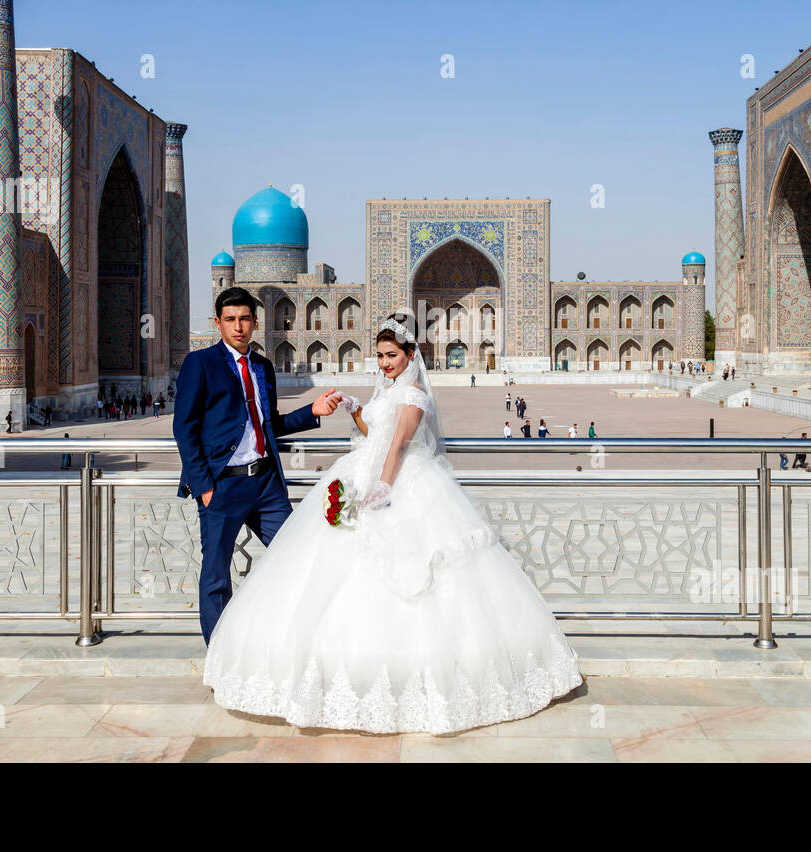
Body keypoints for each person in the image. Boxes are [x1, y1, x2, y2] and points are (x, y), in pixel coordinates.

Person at [202, 312, 582, 734]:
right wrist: (354, 410)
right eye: (380, 356)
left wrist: (382, 489)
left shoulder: (415, 393)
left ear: (410, 354)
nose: (384, 363)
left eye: (391, 355)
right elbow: (373, 431)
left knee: (412, 579)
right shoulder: (388, 389)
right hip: (364, 469)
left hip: (401, 484)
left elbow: (398, 446)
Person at [173, 287, 342, 645]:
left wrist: (311, 412)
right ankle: (221, 655)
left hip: (265, 484)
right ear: (217, 323)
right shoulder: (200, 364)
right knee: (217, 575)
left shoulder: (263, 367)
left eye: (245, 319)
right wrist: (204, 486)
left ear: (255, 322)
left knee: (295, 556)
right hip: (222, 486)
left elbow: (269, 424)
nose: (239, 327)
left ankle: (293, 641)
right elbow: (184, 428)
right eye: (230, 320)